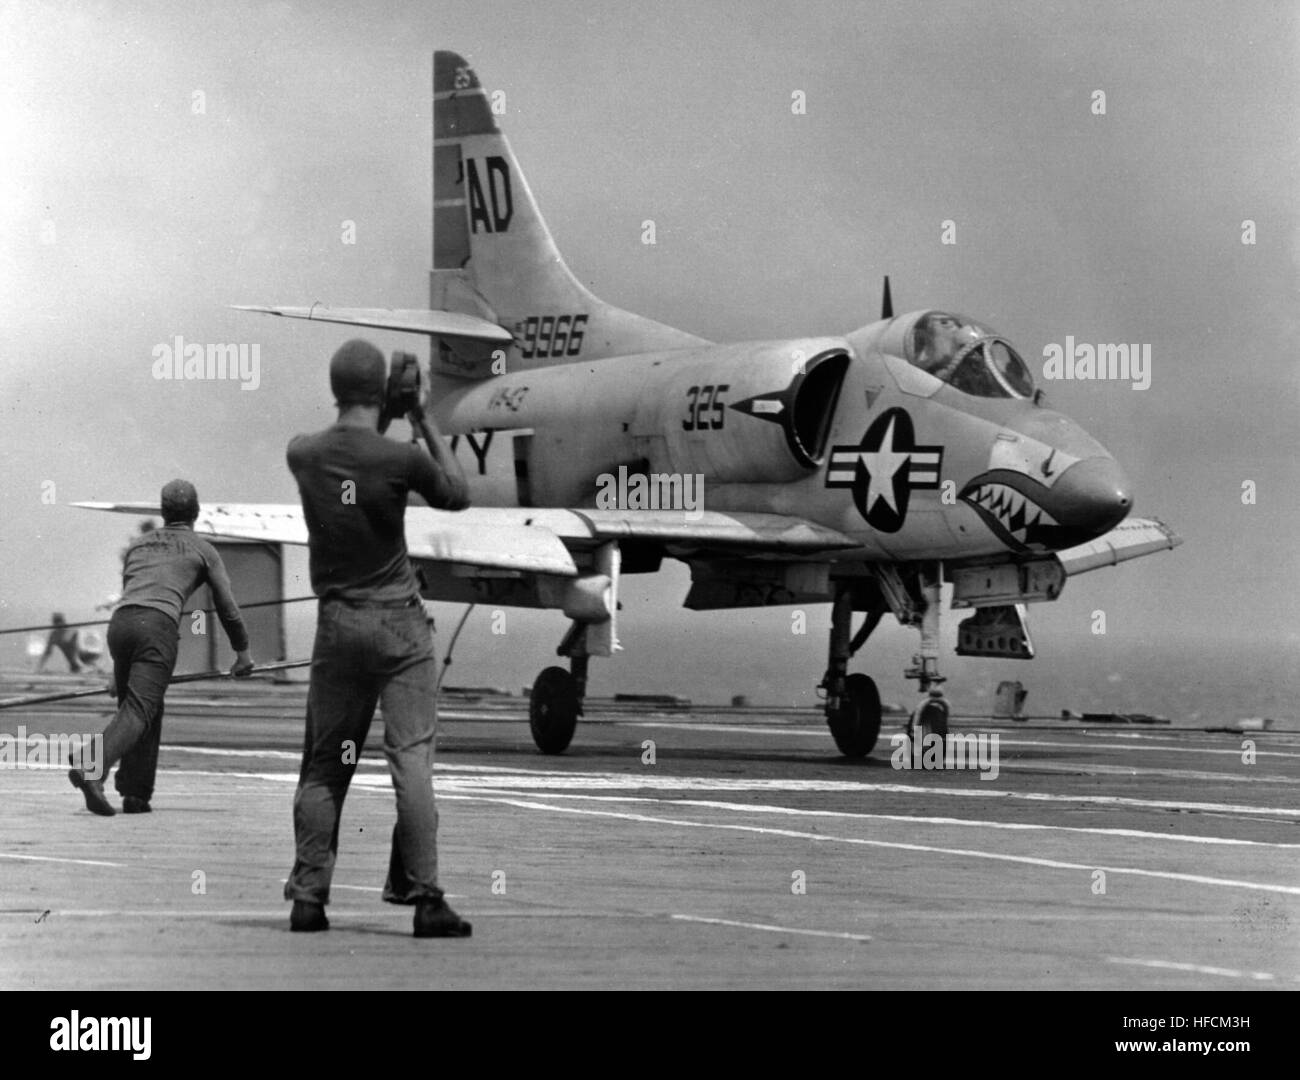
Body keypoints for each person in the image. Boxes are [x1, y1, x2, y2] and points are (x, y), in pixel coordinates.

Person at [283, 338, 472, 938]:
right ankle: (425, 900)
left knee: (324, 766)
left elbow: (351, 443)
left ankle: (309, 898)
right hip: (399, 627)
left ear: (336, 387)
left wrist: (382, 407)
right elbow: (456, 493)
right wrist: (418, 413)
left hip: (338, 627)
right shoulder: (401, 460)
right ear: (383, 393)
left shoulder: (303, 455)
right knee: (411, 761)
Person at [68, 480, 254, 816]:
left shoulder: (138, 546)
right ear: (196, 512)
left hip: (121, 625)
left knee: (140, 708)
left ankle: (136, 794)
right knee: (140, 710)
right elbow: (227, 606)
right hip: (157, 628)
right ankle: (90, 766)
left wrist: (115, 670)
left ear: (163, 511)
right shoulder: (202, 549)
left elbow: (131, 596)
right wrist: (242, 652)